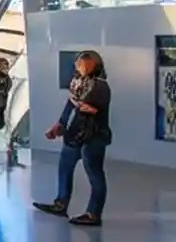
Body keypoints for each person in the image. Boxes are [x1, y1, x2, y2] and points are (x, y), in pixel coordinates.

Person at [33, 50, 112, 227]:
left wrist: (78, 103)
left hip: (94, 136)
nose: (80, 66)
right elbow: (71, 105)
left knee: (95, 174)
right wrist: (60, 124)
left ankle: (93, 213)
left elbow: (89, 108)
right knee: (64, 167)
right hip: (75, 134)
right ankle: (61, 203)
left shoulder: (100, 86)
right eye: (79, 63)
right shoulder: (78, 83)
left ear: (94, 65)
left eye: (84, 63)